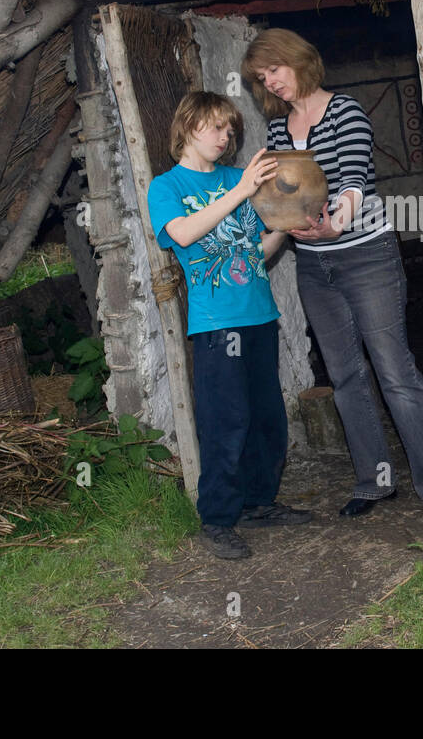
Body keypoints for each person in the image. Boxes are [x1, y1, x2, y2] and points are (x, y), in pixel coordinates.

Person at [242, 29, 423, 520]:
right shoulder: (278, 130)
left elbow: (356, 176)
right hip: (314, 265)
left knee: (394, 371)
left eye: (274, 69)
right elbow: (286, 196)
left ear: (297, 59)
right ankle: (375, 481)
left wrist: (336, 223)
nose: (271, 81)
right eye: (261, 77)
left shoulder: (346, 111)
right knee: (344, 376)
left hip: (366, 255)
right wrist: (283, 229)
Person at [147, 90, 312, 560]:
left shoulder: (234, 180)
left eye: (230, 130)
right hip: (218, 324)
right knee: (226, 422)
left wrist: (287, 226)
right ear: (189, 127)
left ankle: (259, 503)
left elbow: (252, 252)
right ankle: (217, 519)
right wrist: (241, 190)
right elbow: (181, 234)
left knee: (267, 419)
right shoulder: (168, 187)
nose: (226, 137)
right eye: (217, 127)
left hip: (260, 315)